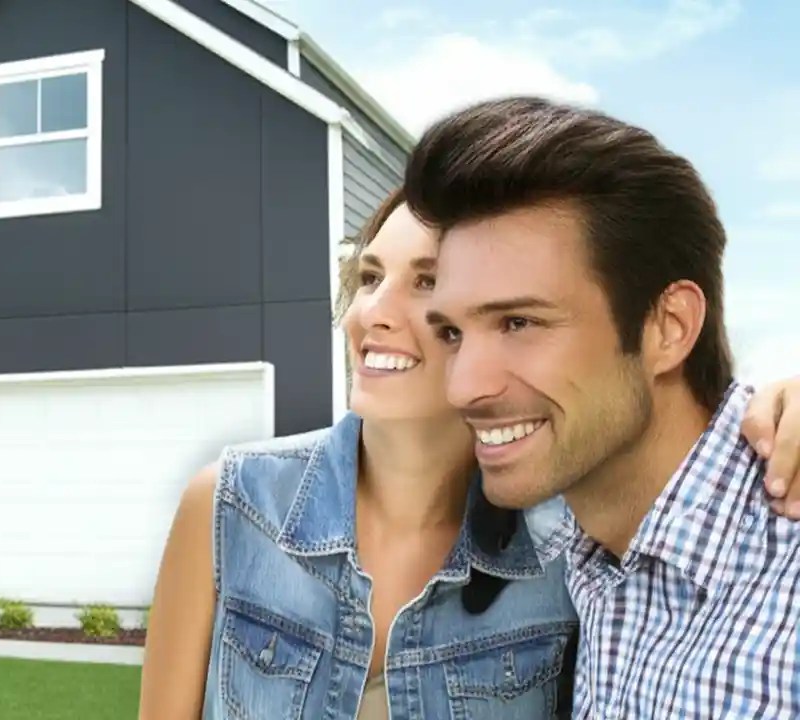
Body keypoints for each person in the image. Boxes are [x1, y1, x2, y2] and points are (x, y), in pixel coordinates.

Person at [137, 181, 800, 717]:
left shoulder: (567, 555)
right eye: (370, 277)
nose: (375, 313)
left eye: (426, 283)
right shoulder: (233, 503)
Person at [406, 95, 800, 718]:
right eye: (453, 333)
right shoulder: (569, 544)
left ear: (668, 327)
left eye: (518, 322)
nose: (463, 388)